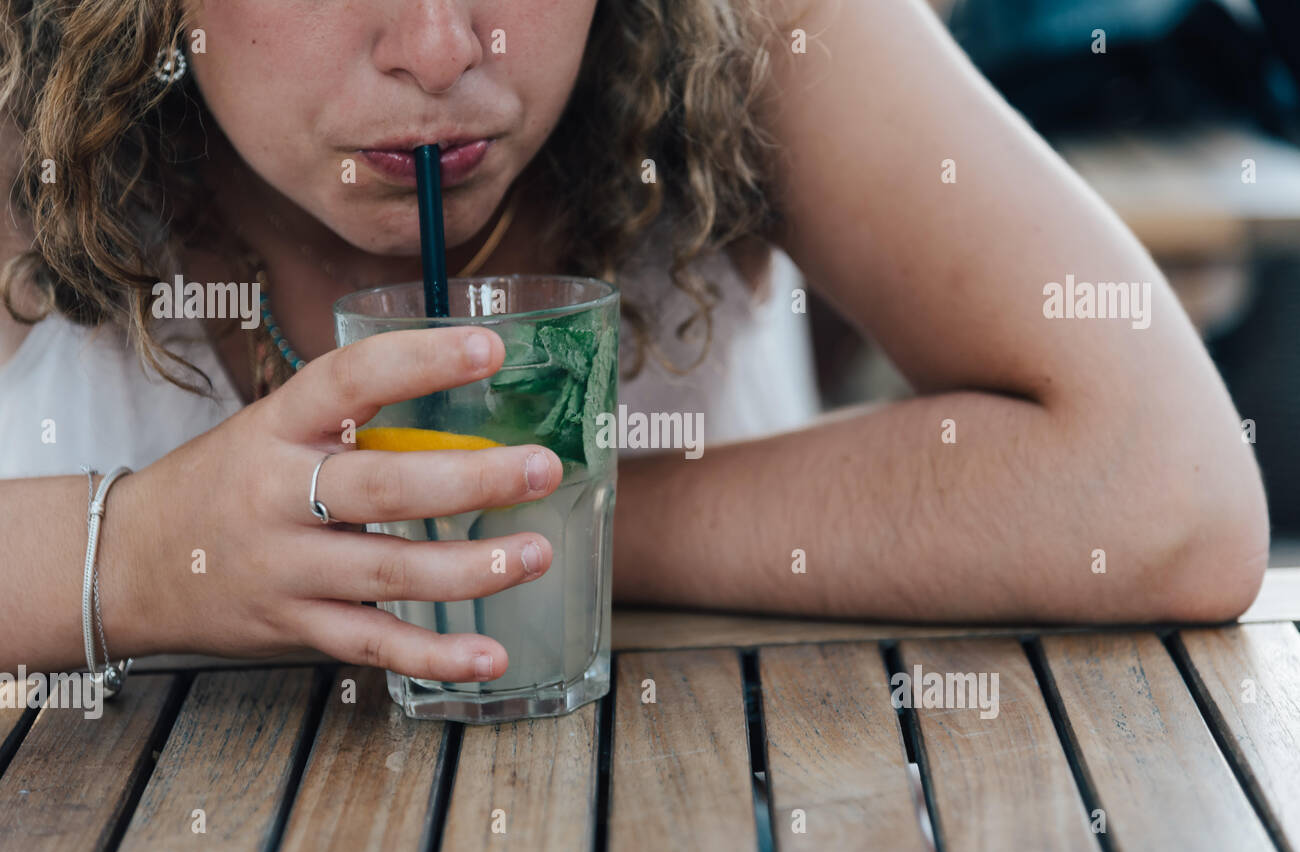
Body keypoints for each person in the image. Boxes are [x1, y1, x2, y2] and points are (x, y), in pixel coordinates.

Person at [0, 0, 1269, 683]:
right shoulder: (23, 85)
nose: (439, 51)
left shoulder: (747, 20)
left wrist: (534, 518)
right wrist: (146, 557)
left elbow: (1171, 492)